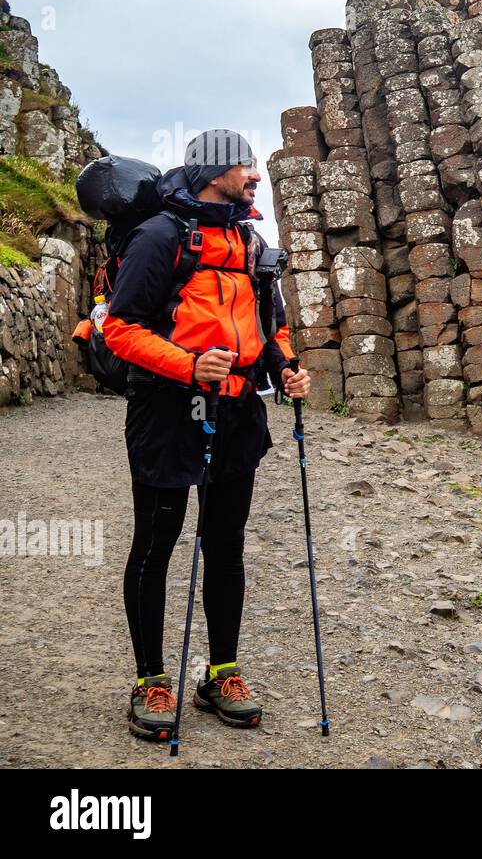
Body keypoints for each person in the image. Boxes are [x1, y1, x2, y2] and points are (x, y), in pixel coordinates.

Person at [102, 129, 310, 741]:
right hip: (168, 414)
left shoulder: (250, 240)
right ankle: (150, 680)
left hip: (239, 410)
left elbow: (271, 325)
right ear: (215, 169)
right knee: (156, 545)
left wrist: (285, 370)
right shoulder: (160, 236)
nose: (255, 174)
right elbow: (119, 328)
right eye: (246, 163)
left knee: (226, 543)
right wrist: (187, 366)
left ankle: (221, 672)